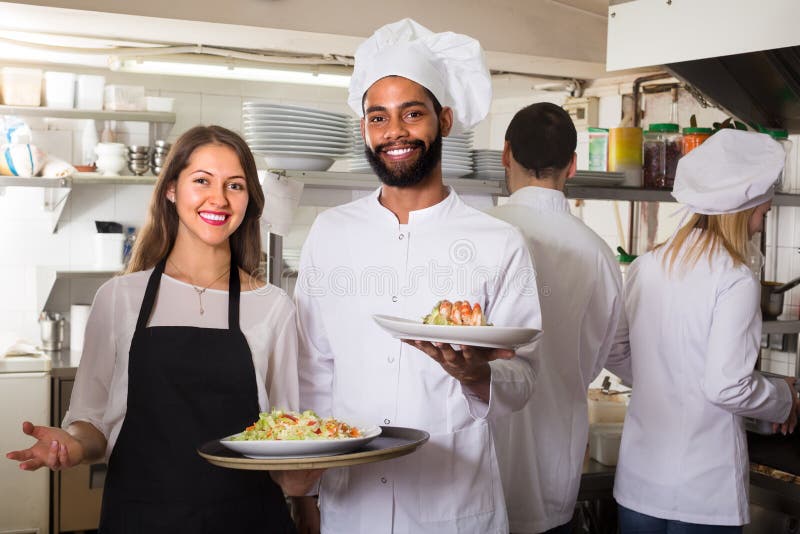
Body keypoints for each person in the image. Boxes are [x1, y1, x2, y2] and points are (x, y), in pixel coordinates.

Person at [292, 18, 542, 534]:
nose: (395, 132)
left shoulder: (498, 242)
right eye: (377, 117)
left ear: (444, 120)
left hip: (452, 508)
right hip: (351, 505)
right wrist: (311, 494)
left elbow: (524, 376)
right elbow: (312, 371)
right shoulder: (330, 232)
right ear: (364, 128)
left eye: (412, 113)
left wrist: (478, 375)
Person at [6, 125, 307, 532]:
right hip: (142, 517)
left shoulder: (273, 308)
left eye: (234, 186)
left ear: (249, 200)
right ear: (171, 190)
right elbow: (92, 422)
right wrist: (73, 445)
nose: (218, 198)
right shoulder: (119, 299)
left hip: (247, 520)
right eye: (202, 181)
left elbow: (288, 437)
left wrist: (308, 485)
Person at [604, 128, 799, 533]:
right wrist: (785, 398)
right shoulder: (735, 278)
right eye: (763, 213)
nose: (761, 226)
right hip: (702, 492)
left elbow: (616, 350)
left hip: (640, 480)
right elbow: (726, 386)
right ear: (741, 210)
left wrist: (668, 382)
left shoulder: (647, 265)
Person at [487, 102, 623, 534]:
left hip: (476, 474)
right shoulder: (599, 254)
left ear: (505, 154)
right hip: (553, 474)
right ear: (573, 165)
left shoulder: (477, 233)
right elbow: (600, 357)